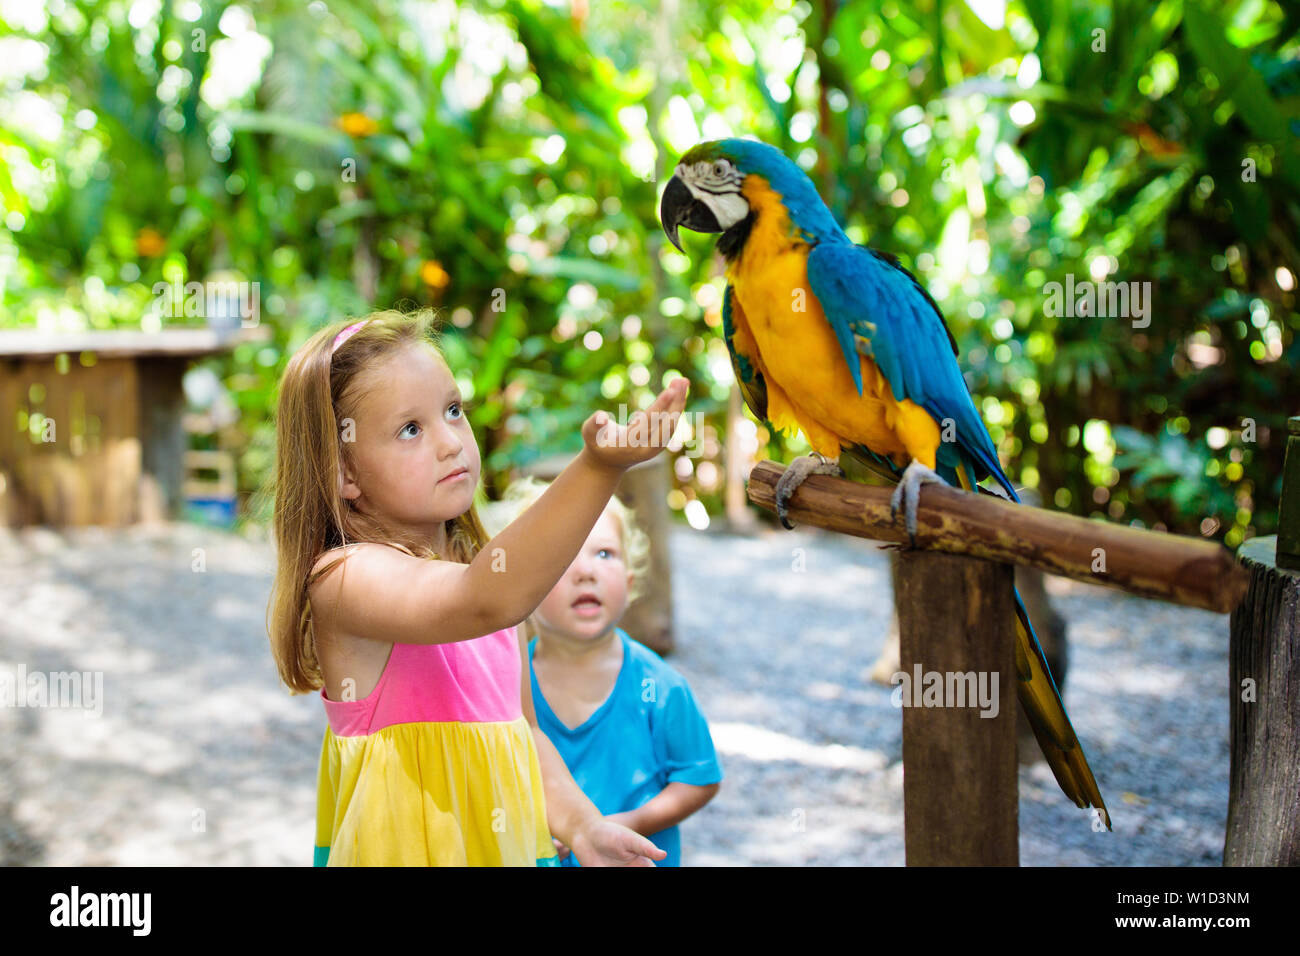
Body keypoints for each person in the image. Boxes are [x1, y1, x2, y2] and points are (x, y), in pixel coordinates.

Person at [265, 308, 687, 866]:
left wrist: (584, 826)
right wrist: (598, 467)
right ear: (344, 472)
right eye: (410, 429)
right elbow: (484, 597)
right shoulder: (344, 579)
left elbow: (525, 736)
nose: (450, 442)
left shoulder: (477, 577)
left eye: (453, 411)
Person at [486, 477, 722, 867]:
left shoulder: (659, 687)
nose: (585, 572)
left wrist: (619, 825)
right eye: (563, 555)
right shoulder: (505, 684)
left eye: (605, 554)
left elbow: (699, 779)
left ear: (629, 584)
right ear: (524, 589)